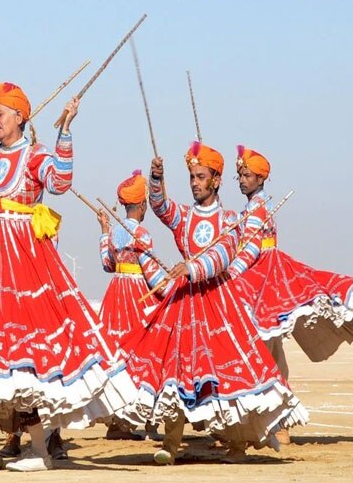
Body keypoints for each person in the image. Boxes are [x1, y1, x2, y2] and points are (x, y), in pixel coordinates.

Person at [0, 80, 135, 472]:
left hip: (23, 264)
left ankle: (41, 450)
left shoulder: (34, 155)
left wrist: (65, 130)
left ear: (19, 116)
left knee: (24, 350)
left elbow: (60, 183)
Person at [116, 144, 307, 465]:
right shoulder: (186, 216)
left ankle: (236, 444)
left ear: (216, 181)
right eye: (191, 177)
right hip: (185, 304)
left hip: (219, 305)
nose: (194, 182)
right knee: (176, 368)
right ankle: (171, 441)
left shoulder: (230, 220)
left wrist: (192, 268)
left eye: (200, 177)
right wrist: (156, 179)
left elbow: (222, 254)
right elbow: (162, 208)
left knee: (224, 371)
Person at [226, 145, 353, 444]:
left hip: (266, 278)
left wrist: (228, 274)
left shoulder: (257, 210)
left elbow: (252, 248)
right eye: (240, 175)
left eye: (248, 175)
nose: (243, 180)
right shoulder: (248, 210)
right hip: (255, 277)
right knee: (265, 350)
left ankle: (277, 422)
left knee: (266, 350)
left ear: (261, 179)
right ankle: (263, 422)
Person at [96, 170, 170, 441]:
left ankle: (117, 423)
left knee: (117, 355)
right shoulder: (143, 235)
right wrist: (171, 287)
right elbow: (152, 273)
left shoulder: (115, 232)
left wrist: (104, 232)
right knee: (144, 354)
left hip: (116, 295)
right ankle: (148, 422)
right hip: (138, 295)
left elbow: (107, 264)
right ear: (143, 205)